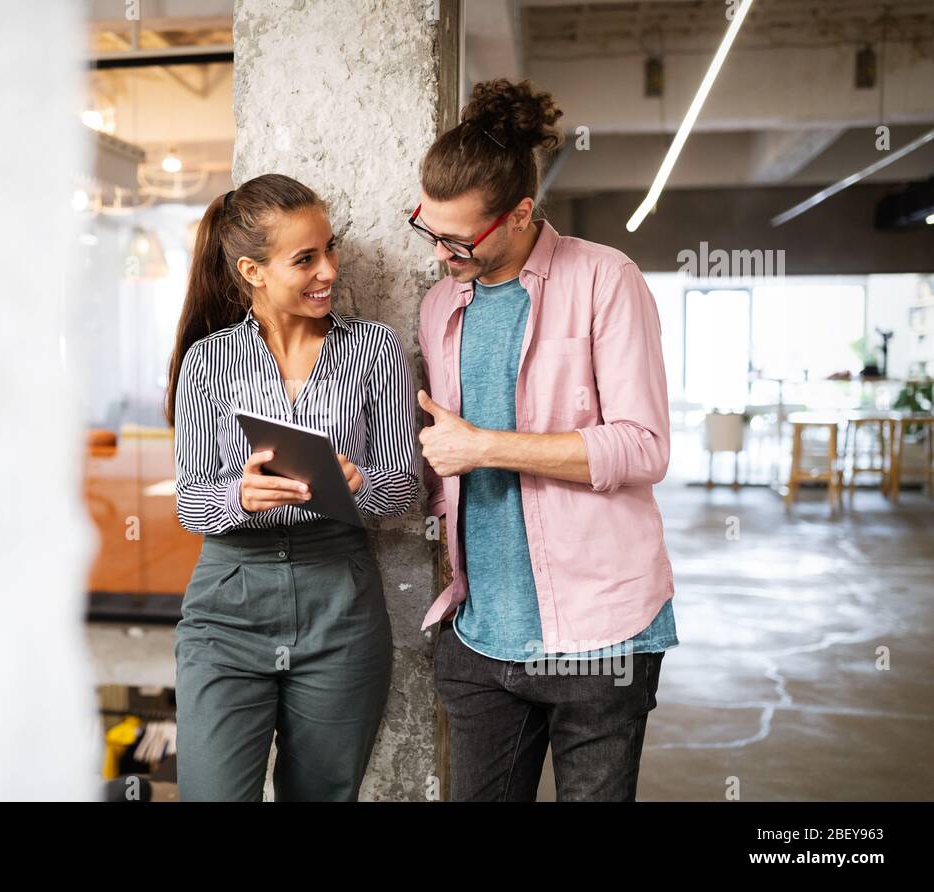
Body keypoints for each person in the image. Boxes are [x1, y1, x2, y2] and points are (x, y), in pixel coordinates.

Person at [413, 79, 679, 801]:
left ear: (521, 213)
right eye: (426, 228)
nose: (441, 253)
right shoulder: (442, 306)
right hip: (480, 638)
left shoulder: (605, 280)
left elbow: (643, 446)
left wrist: (486, 447)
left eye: (458, 238)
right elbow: (449, 456)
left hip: (601, 635)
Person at [166, 173, 418, 801]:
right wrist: (238, 497)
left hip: (339, 600)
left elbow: (405, 489)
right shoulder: (206, 362)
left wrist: (359, 485)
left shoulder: (374, 348)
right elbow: (192, 502)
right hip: (228, 606)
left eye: (329, 249)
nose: (329, 270)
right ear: (252, 270)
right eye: (305, 259)